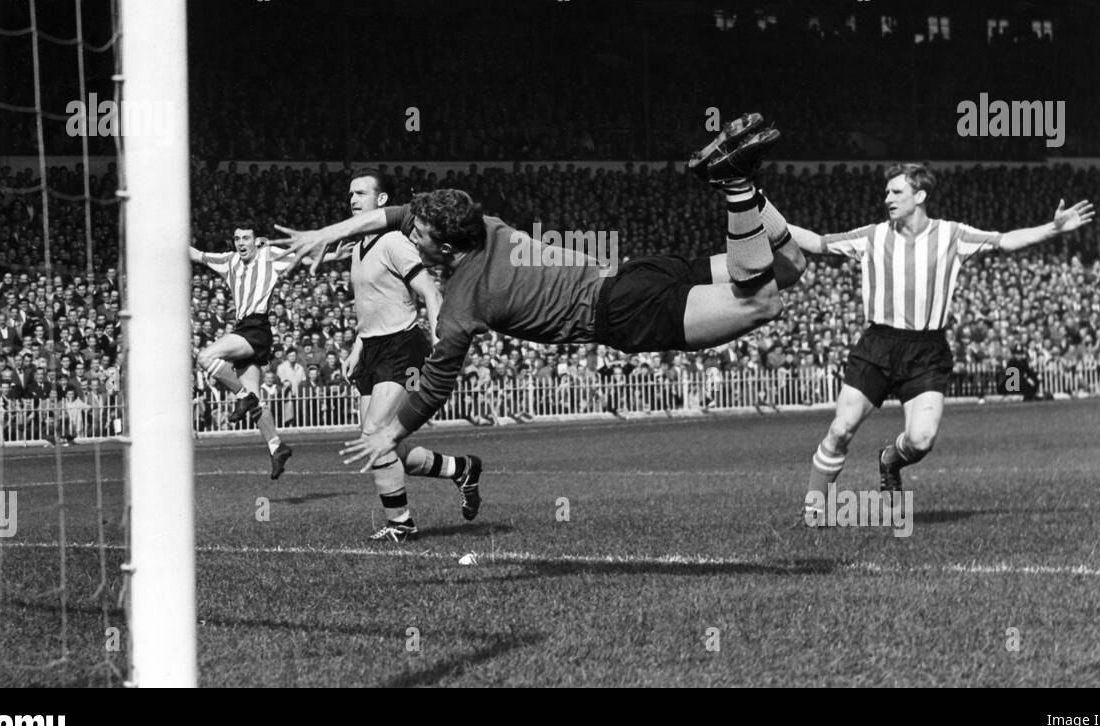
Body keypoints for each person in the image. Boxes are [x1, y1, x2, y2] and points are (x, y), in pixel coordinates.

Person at [275, 112, 808, 473]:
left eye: (417, 236)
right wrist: (327, 234)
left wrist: (391, 432)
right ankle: (739, 187)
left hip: (623, 310)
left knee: (763, 300)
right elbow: (395, 213)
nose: (409, 236)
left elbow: (436, 383)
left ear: (441, 246)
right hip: (632, 273)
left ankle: (735, 184)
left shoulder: (464, 303)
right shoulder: (483, 223)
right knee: (791, 267)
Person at [785, 163, 1094, 519]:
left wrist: (1053, 229)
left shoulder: (951, 235)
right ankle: (814, 509)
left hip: (928, 350)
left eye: (896, 192)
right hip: (879, 344)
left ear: (920, 196)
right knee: (840, 429)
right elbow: (818, 243)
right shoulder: (872, 236)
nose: (888, 198)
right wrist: (769, 218)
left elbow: (1006, 240)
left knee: (921, 441)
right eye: (887, 192)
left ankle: (889, 459)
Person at [339, 168, 482, 544]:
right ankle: (461, 468)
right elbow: (371, 303)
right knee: (387, 445)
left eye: (361, 193)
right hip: (372, 349)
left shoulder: (393, 242)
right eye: (350, 194)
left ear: (381, 201)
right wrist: (358, 346)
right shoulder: (358, 247)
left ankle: (401, 524)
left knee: (375, 436)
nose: (353, 199)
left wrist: (442, 340)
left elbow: (430, 292)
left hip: (402, 346)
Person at [190, 223, 333, 478]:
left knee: (205, 356)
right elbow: (197, 255)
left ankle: (244, 396)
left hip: (257, 328)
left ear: (257, 241)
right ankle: (276, 446)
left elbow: (310, 256)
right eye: (236, 238)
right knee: (256, 403)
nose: (241, 242)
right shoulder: (229, 261)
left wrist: (344, 252)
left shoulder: (271, 256)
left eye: (246, 237)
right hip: (244, 328)